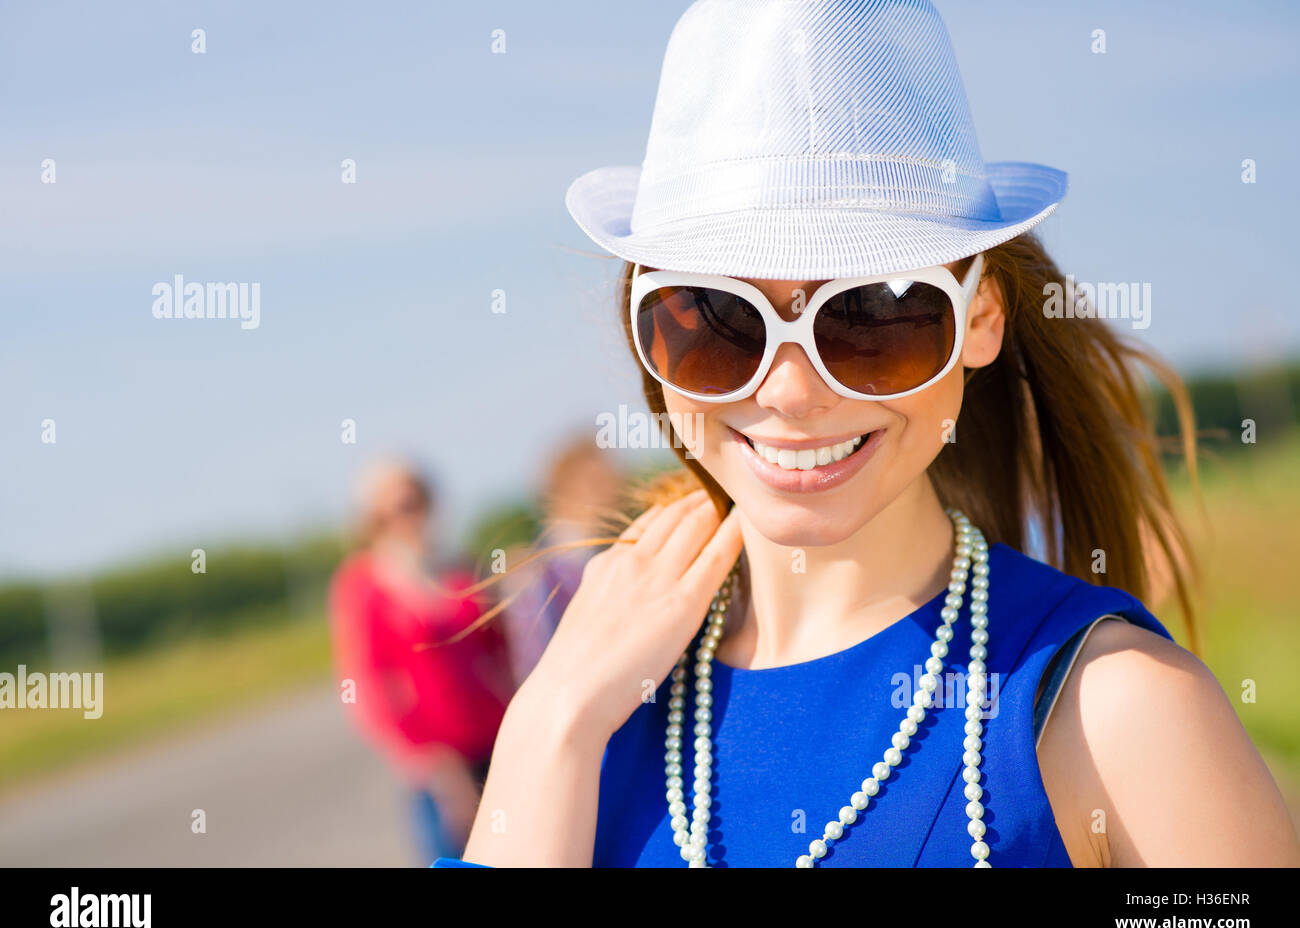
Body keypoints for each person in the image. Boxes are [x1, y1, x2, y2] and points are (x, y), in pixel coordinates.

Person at [443, 0, 1300, 867]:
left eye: (871, 314)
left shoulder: (1119, 711)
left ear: (981, 320)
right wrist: (548, 723)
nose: (790, 392)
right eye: (716, 317)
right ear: (649, 336)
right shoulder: (597, 706)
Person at [328, 459, 511, 865]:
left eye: (415, 502)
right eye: (393, 510)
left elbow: (502, 651)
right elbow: (368, 687)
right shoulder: (365, 583)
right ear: (373, 520)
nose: (408, 517)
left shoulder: (459, 565)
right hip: (438, 764)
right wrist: (430, 762)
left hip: (497, 738)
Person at [500, 434, 623, 687]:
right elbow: (534, 669)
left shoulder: (612, 557)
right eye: (597, 483)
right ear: (567, 489)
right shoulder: (535, 574)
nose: (614, 491)